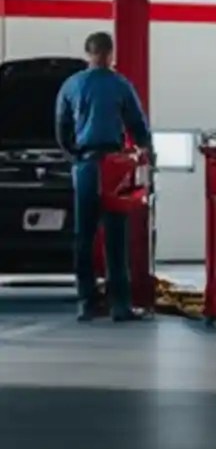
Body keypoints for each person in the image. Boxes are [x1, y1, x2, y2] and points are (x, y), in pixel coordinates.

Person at [54, 31, 152, 322]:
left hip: (85, 165)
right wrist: (144, 153)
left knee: (83, 235)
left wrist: (74, 156)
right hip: (114, 165)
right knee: (116, 236)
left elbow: (61, 128)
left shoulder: (71, 85)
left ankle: (86, 302)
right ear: (110, 55)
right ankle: (120, 305)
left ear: (88, 54)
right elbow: (137, 124)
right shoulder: (120, 84)